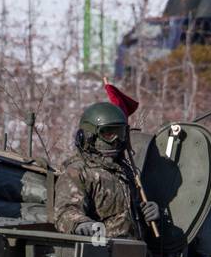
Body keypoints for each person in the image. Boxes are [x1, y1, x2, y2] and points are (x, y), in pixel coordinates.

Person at [54, 102, 161, 240]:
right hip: (103, 252)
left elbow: (130, 215)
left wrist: (149, 214)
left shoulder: (125, 170)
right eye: (109, 133)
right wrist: (81, 224)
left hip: (136, 251)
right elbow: (65, 211)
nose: (116, 139)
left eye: (120, 133)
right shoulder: (78, 171)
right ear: (90, 135)